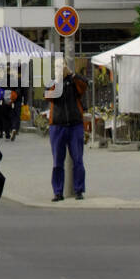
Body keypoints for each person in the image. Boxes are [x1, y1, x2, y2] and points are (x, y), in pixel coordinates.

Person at [47, 67, 87, 201]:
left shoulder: (74, 81)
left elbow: (84, 85)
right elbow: (48, 96)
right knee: (58, 162)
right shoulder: (52, 82)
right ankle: (58, 192)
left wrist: (73, 75)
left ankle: (79, 190)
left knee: (78, 160)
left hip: (75, 125)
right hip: (57, 125)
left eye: (63, 67)